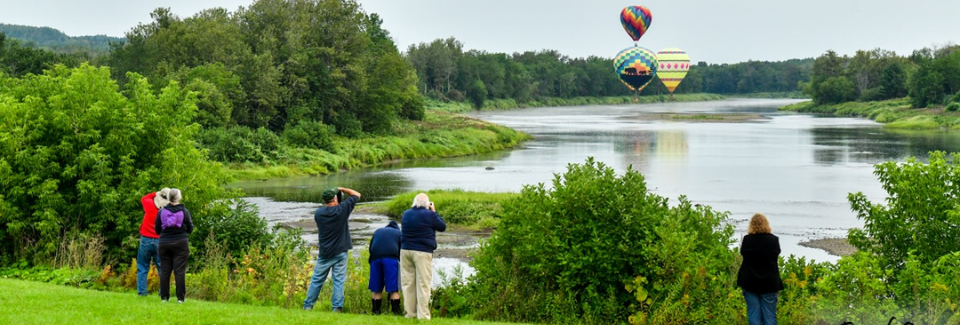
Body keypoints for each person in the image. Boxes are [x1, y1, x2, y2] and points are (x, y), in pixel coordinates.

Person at [303, 187, 362, 312]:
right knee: (338, 281)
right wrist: (341, 189)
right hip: (341, 251)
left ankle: (308, 306)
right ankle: (336, 308)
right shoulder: (342, 210)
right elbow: (356, 194)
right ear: (335, 198)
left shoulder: (319, 213)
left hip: (325, 252)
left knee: (317, 280)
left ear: (324, 200)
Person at [400, 193, 446, 320]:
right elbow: (442, 227)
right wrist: (434, 211)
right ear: (427, 204)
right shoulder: (430, 215)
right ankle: (423, 316)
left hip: (405, 250)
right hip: (422, 252)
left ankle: (410, 314)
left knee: (408, 283)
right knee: (423, 284)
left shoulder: (406, 214)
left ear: (414, 202)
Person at [737, 213, 784, 325]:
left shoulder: (747, 240)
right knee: (770, 317)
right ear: (766, 224)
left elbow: (743, 253)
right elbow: (776, 253)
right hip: (769, 282)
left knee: (754, 316)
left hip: (749, 282)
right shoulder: (773, 240)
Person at [154, 188, 194, 303]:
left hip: (164, 243)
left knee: (165, 271)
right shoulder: (185, 212)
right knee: (179, 271)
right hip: (181, 243)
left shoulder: (161, 212)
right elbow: (190, 229)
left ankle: (164, 297)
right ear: (179, 198)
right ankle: (180, 298)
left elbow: (157, 230)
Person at [137, 188, 169, 296]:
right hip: (160, 241)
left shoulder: (149, 206)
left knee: (142, 267)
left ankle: (142, 292)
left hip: (145, 239)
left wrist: (156, 193)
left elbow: (145, 197)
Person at [368, 220, 402, 315]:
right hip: (391, 259)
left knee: (376, 288)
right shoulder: (399, 233)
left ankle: (375, 312)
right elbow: (401, 249)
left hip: (375, 259)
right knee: (393, 288)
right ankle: (396, 312)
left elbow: (370, 248)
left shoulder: (378, 231)